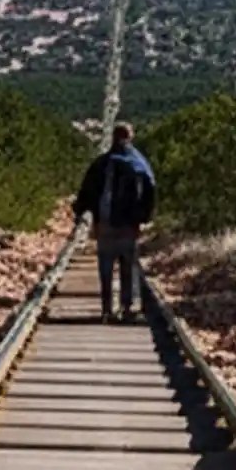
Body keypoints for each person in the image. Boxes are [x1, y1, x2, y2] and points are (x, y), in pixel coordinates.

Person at [72, 122, 156, 324]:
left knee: (106, 267)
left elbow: (87, 190)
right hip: (129, 225)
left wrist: (81, 212)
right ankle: (127, 307)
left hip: (106, 224)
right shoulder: (138, 163)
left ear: (113, 137)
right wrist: (144, 216)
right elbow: (150, 187)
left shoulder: (102, 163)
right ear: (130, 137)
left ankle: (107, 309)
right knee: (128, 266)